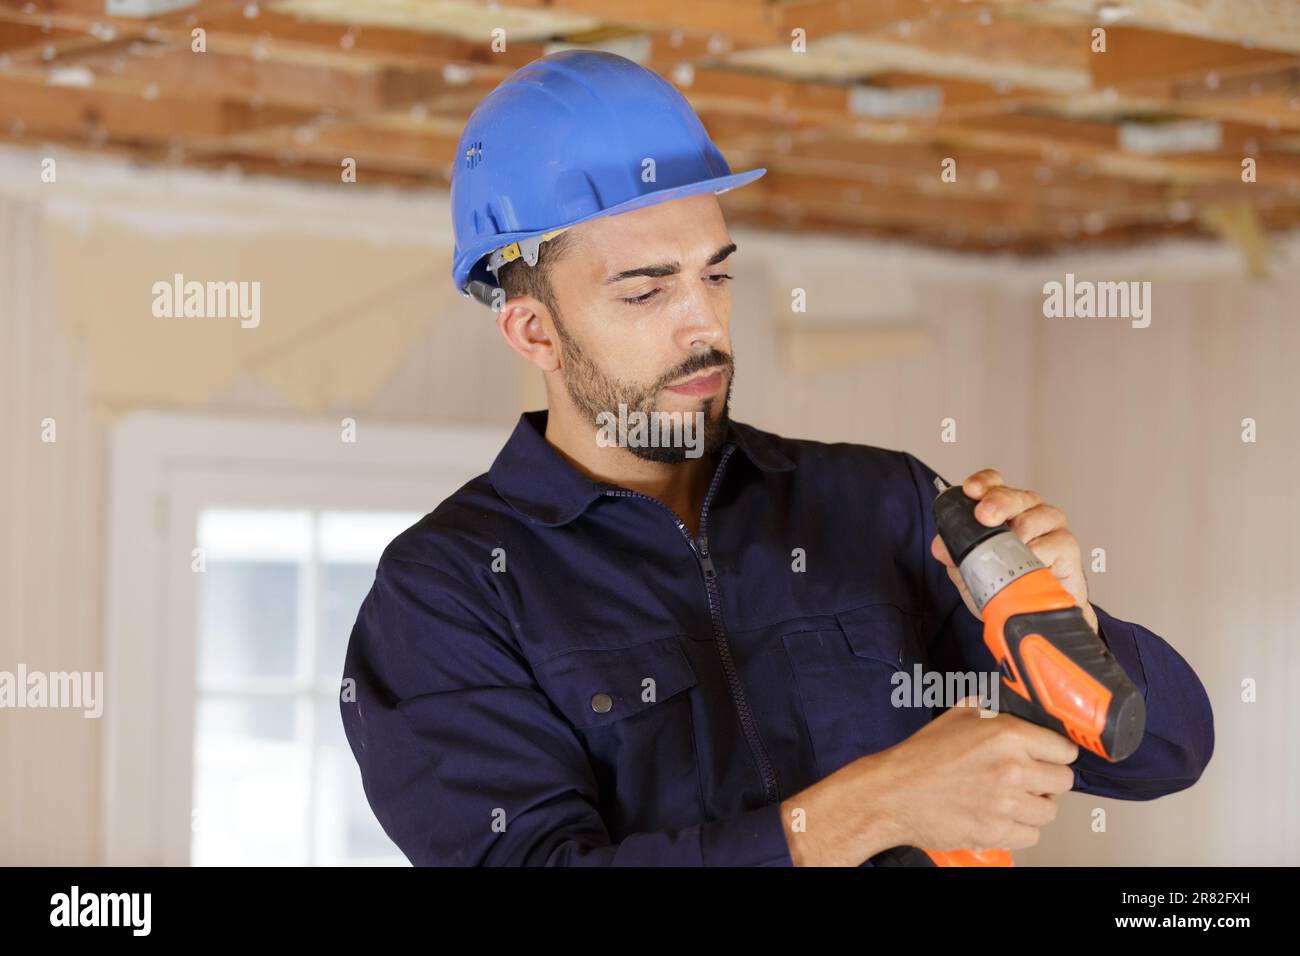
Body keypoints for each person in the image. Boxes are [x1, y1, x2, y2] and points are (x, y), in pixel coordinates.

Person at [340, 50, 1213, 866]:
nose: (704, 328)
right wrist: (869, 809)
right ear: (533, 329)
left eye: (716, 276)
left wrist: (1073, 627)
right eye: (646, 290)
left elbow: (1164, 754)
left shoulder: (880, 501)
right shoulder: (447, 594)